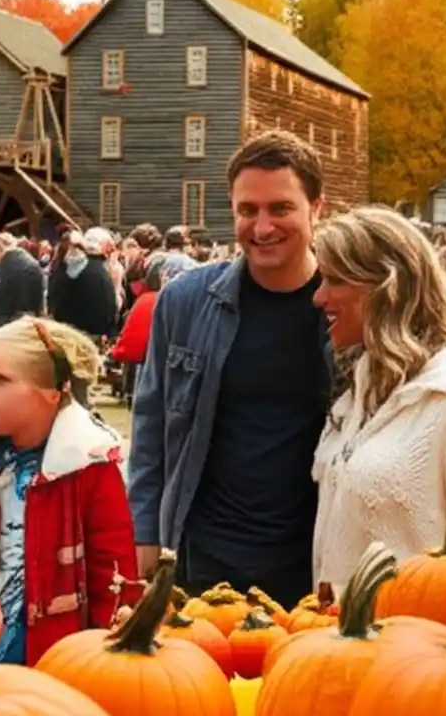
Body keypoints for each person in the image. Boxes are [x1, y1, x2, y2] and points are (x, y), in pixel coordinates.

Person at [128, 130, 333, 609]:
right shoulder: (184, 302)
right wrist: (144, 530)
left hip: (313, 557)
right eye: (247, 211)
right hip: (204, 553)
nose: (262, 228)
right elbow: (152, 422)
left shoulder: (341, 308)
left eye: (280, 208)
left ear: (316, 208)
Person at [310, 208, 446, 596]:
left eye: (334, 280)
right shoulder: (364, 390)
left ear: (386, 287)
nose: (318, 297)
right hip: (345, 643)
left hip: (421, 643)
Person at [0, 317, 136, 666]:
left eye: (2, 379)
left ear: (52, 392)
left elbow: (112, 574)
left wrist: (105, 652)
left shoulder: (88, 467)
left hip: (63, 657)